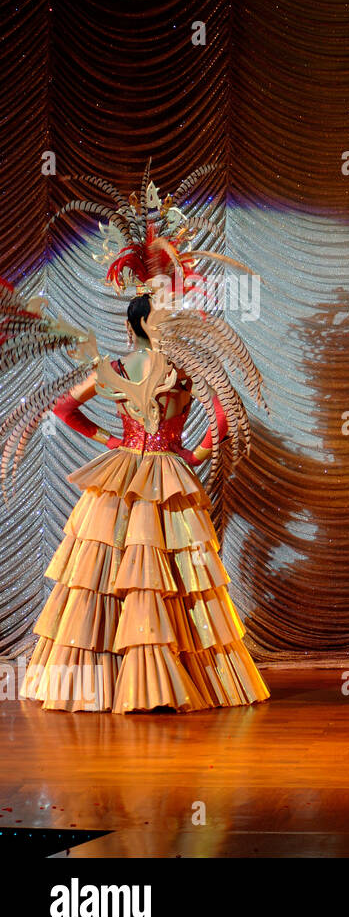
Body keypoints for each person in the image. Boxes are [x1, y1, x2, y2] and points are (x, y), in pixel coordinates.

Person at [3, 164, 269, 712]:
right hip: (165, 470)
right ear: (151, 319)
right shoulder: (188, 366)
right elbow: (223, 413)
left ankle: (111, 679)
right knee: (168, 574)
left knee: (111, 572)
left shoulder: (124, 366)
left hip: (128, 470)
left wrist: (110, 441)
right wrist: (191, 452)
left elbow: (61, 405)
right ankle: (170, 679)